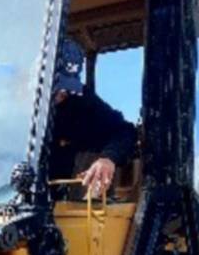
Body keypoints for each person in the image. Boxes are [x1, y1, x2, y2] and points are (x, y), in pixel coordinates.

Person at [49, 38, 137, 198]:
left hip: (52, 201)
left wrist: (108, 158)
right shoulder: (3, 100)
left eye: (66, 89)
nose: (62, 94)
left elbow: (124, 131)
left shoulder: (80, 102)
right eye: (56, 87)